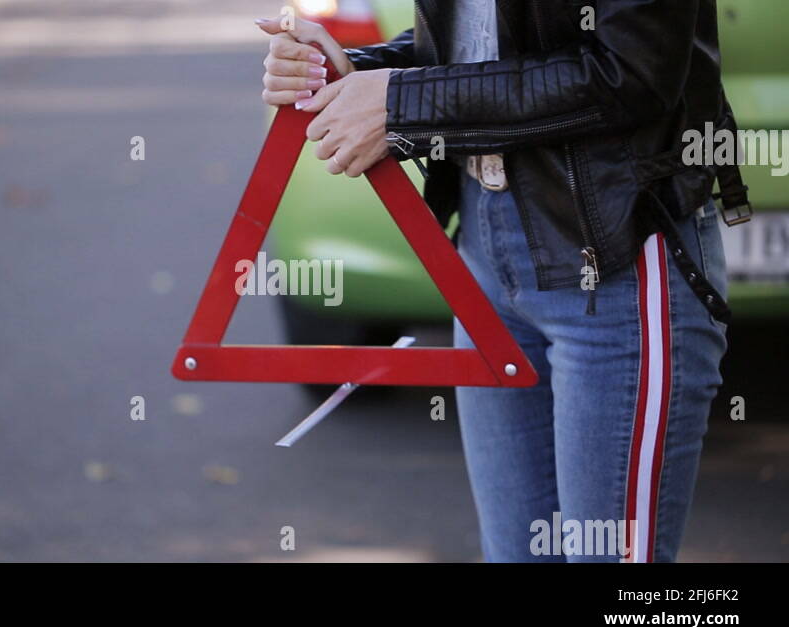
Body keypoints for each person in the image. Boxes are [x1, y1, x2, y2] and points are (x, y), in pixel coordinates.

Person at [257, 0, 748, 563]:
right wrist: (358, 75)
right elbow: (483, 43)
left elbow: (630, 73)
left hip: (617, 249)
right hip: (487, 242)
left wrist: (400, 101)